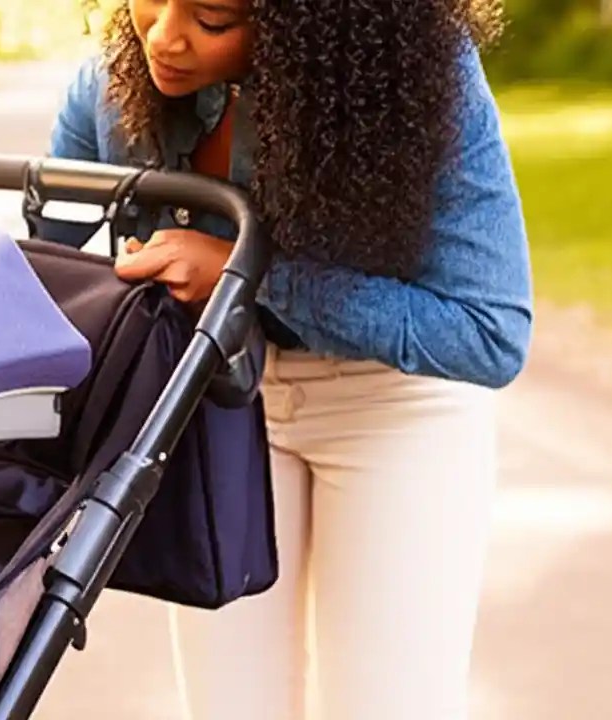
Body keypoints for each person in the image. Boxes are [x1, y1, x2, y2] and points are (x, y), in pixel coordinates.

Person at [43, 0, 533, 718]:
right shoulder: (112, 83)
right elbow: (41, 265)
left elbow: (490, 331)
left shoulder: (421, 82)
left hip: (391, 411)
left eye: (212, 18)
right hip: (222, 405)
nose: (167, 36)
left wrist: (247, 275)